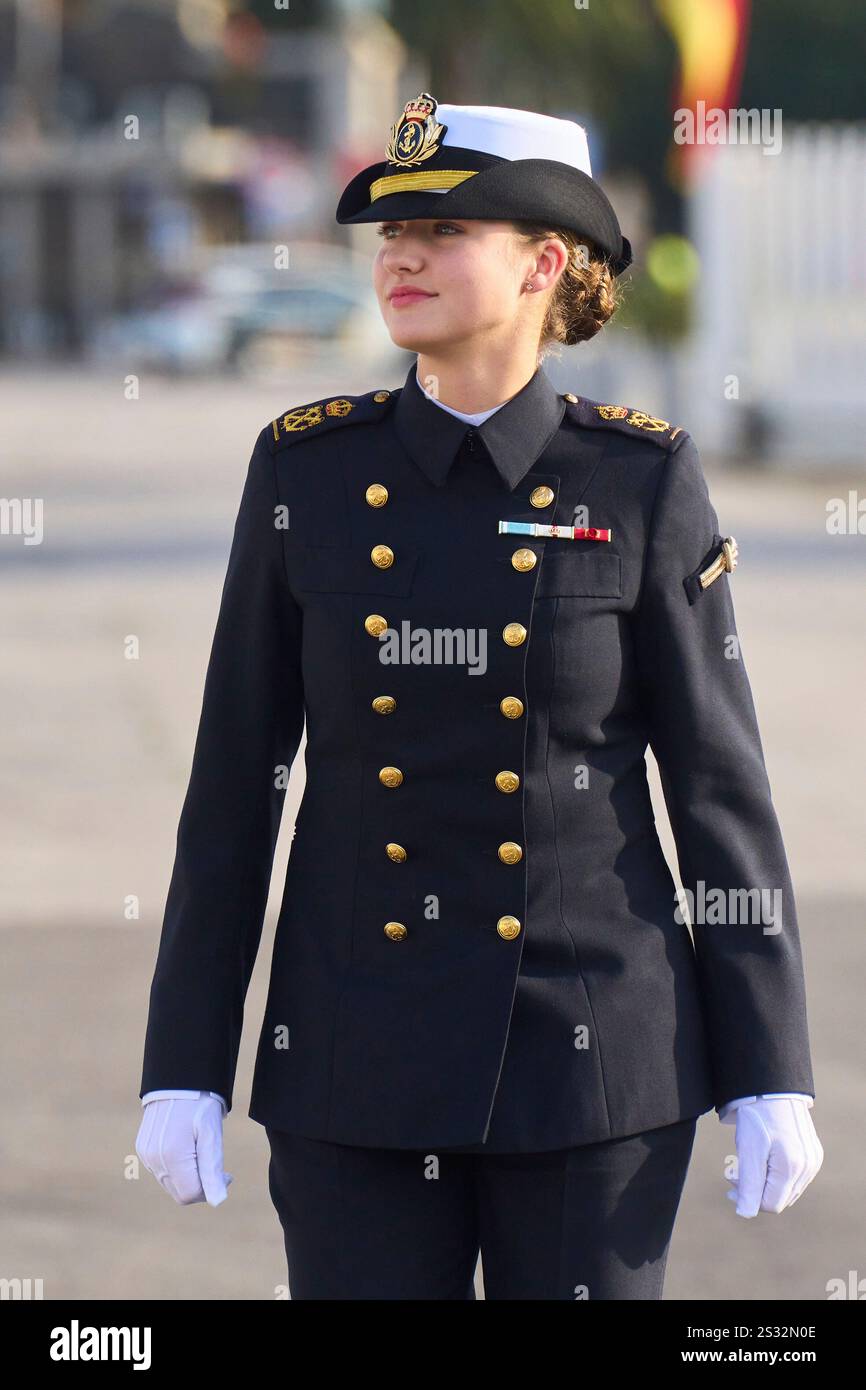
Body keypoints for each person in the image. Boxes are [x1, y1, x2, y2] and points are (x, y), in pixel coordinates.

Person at [136, 95, 823, 1300]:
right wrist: (181, 1060)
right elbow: (236, 782)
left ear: (543, 262)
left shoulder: (639, 478)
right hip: (355, 1059)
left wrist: (772, 1063)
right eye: (391, 232)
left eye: (445, 230)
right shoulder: (309, 470)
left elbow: (717, 786)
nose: (400, 256)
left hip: (590, 1062)